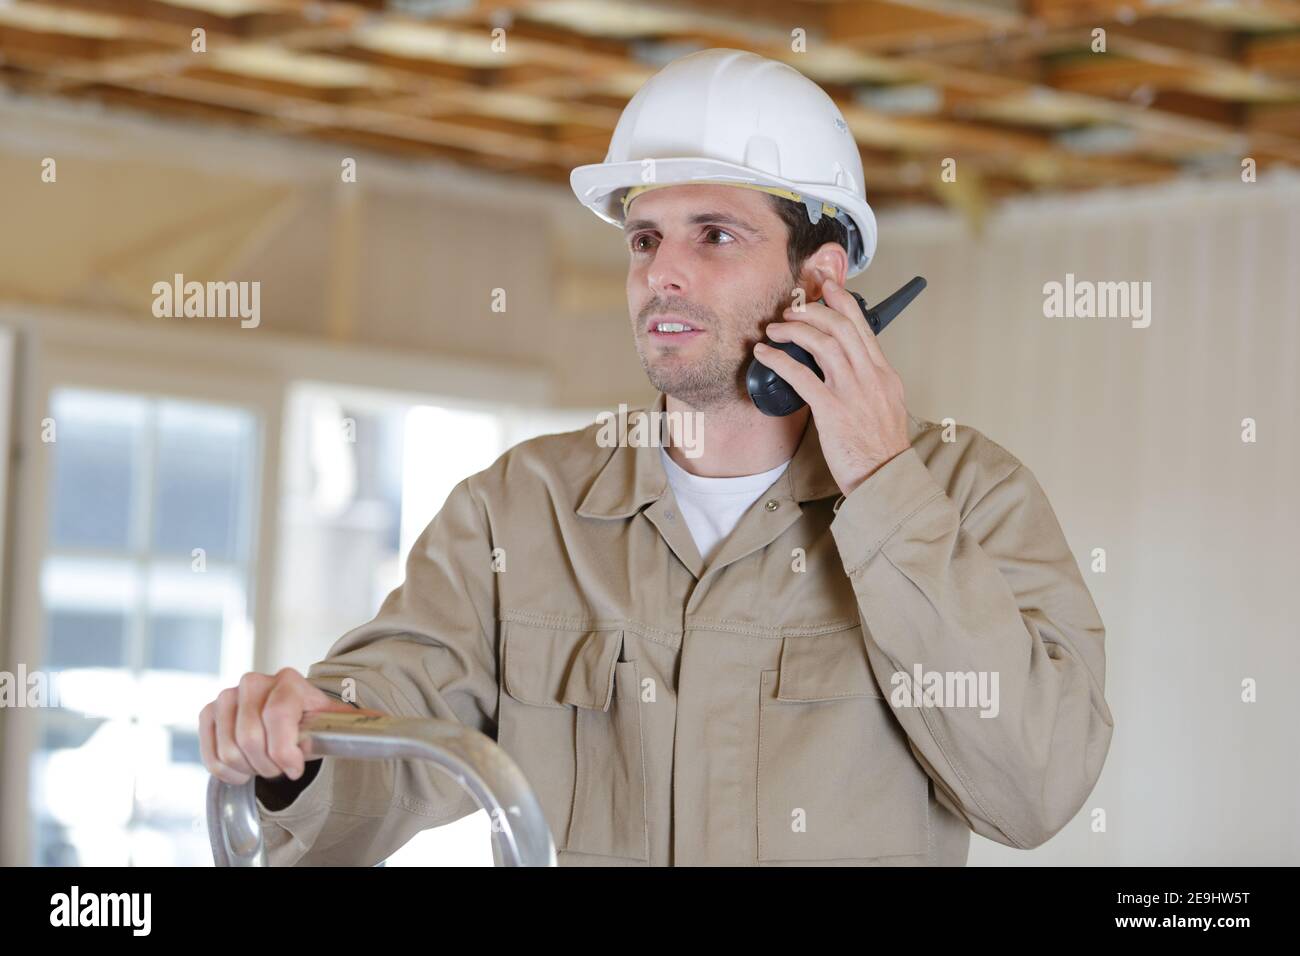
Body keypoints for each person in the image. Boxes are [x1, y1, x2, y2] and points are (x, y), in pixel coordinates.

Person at [200, 48, 1113, 866]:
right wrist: (300, 743)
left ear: (821, 279)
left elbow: (1034, 792)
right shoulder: (523, 509)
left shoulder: (967, 495)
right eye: (645, 239)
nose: (660, 274)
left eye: (713, 234)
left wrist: (879, 486)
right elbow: (388, 726)